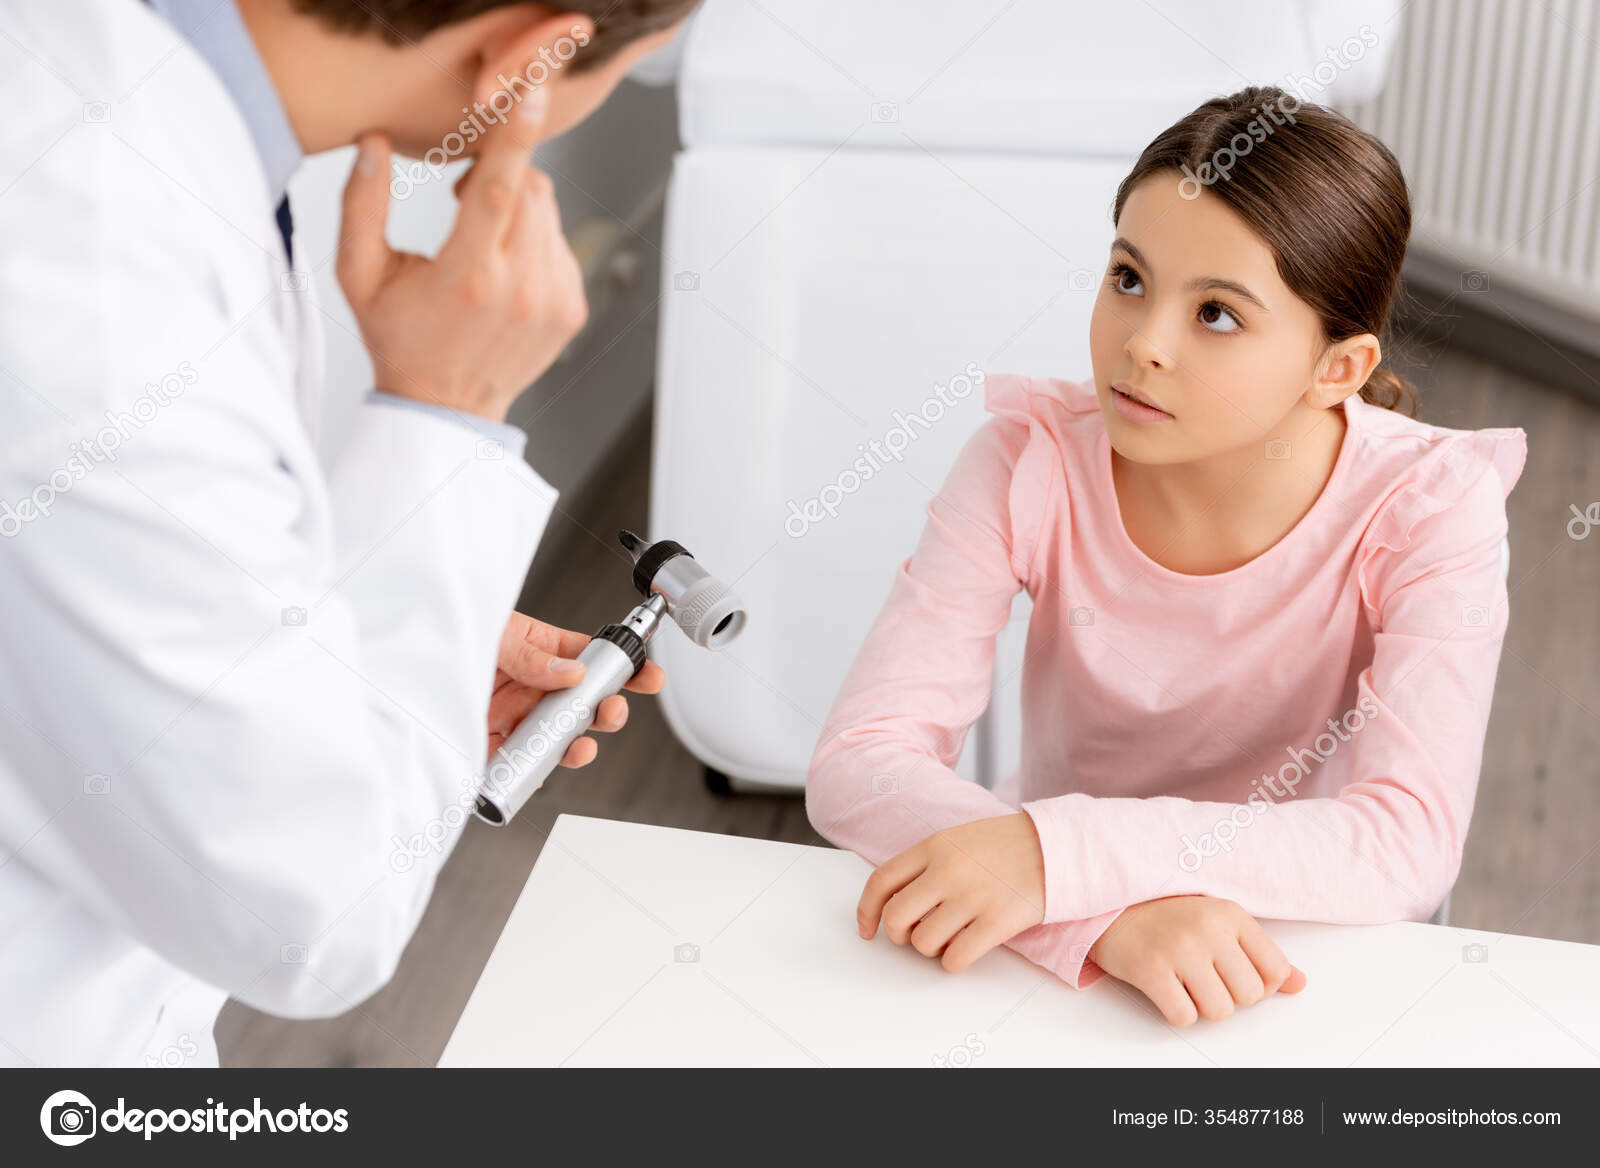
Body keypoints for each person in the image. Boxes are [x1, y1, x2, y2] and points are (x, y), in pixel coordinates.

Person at [0, 0, 698, 1066]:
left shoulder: (118, 110)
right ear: (535, 58)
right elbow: (308, 923)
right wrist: (450, 409)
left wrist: (358, 666)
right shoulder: (93, 284)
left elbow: (104, 599)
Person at [806, 87, 1527, 1028]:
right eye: (1129, 278)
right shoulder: (1027, 458)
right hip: (1053, 926)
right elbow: (860, 759)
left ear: (1337, 369)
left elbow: (1405, 843)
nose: (1142, 345)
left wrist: (1058, 856)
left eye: (1217, 314)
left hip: (1304, 941)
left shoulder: (1433, 506)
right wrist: (1102, 917)